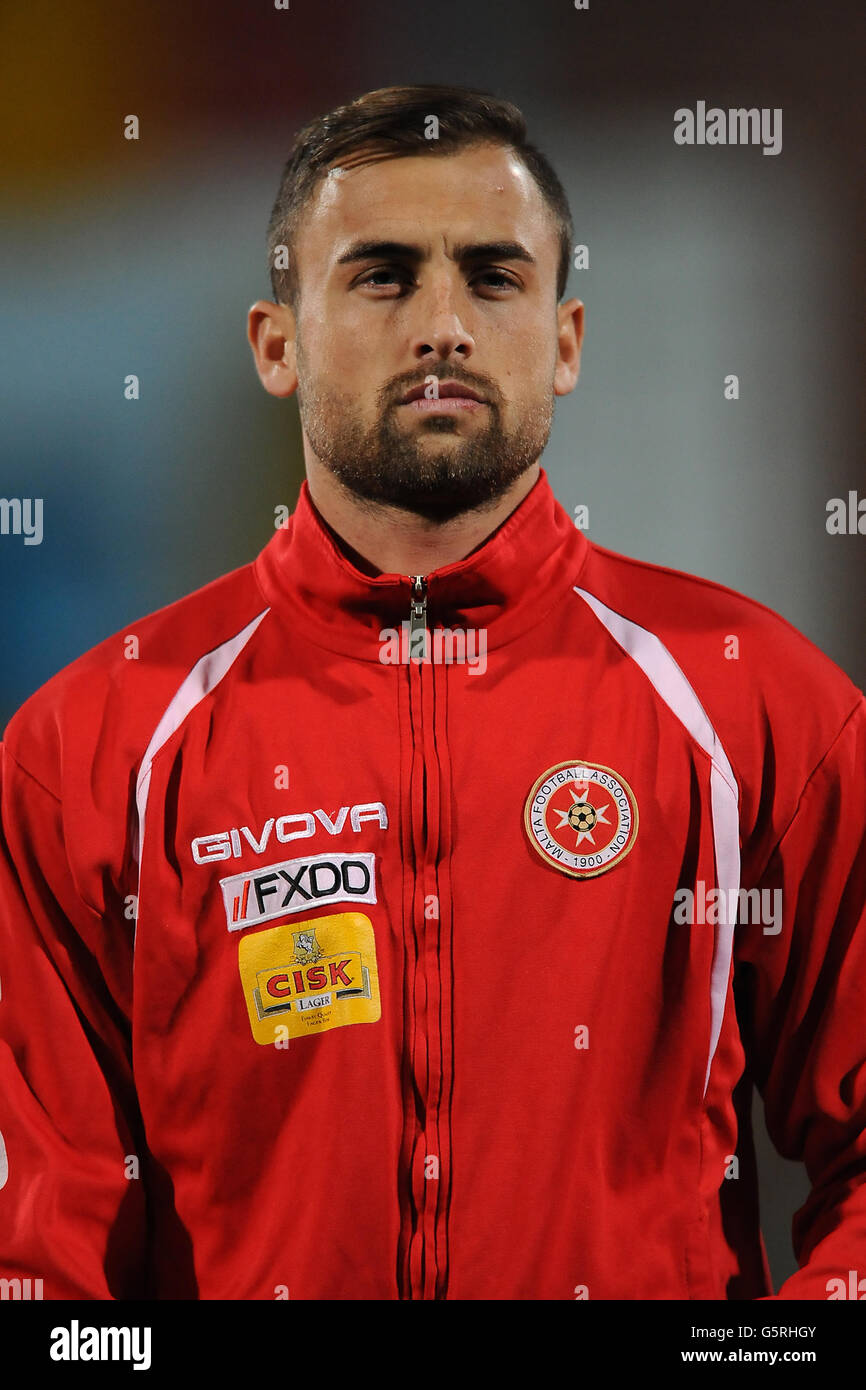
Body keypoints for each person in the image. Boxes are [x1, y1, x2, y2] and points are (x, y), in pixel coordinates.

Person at [0, 84, 863, 1302]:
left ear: (563, 343)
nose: (443, 324)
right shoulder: (88, 747)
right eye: (384, 275)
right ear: (276, 342)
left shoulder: (755, 702)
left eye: (493, 276)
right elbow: (43, 1264)